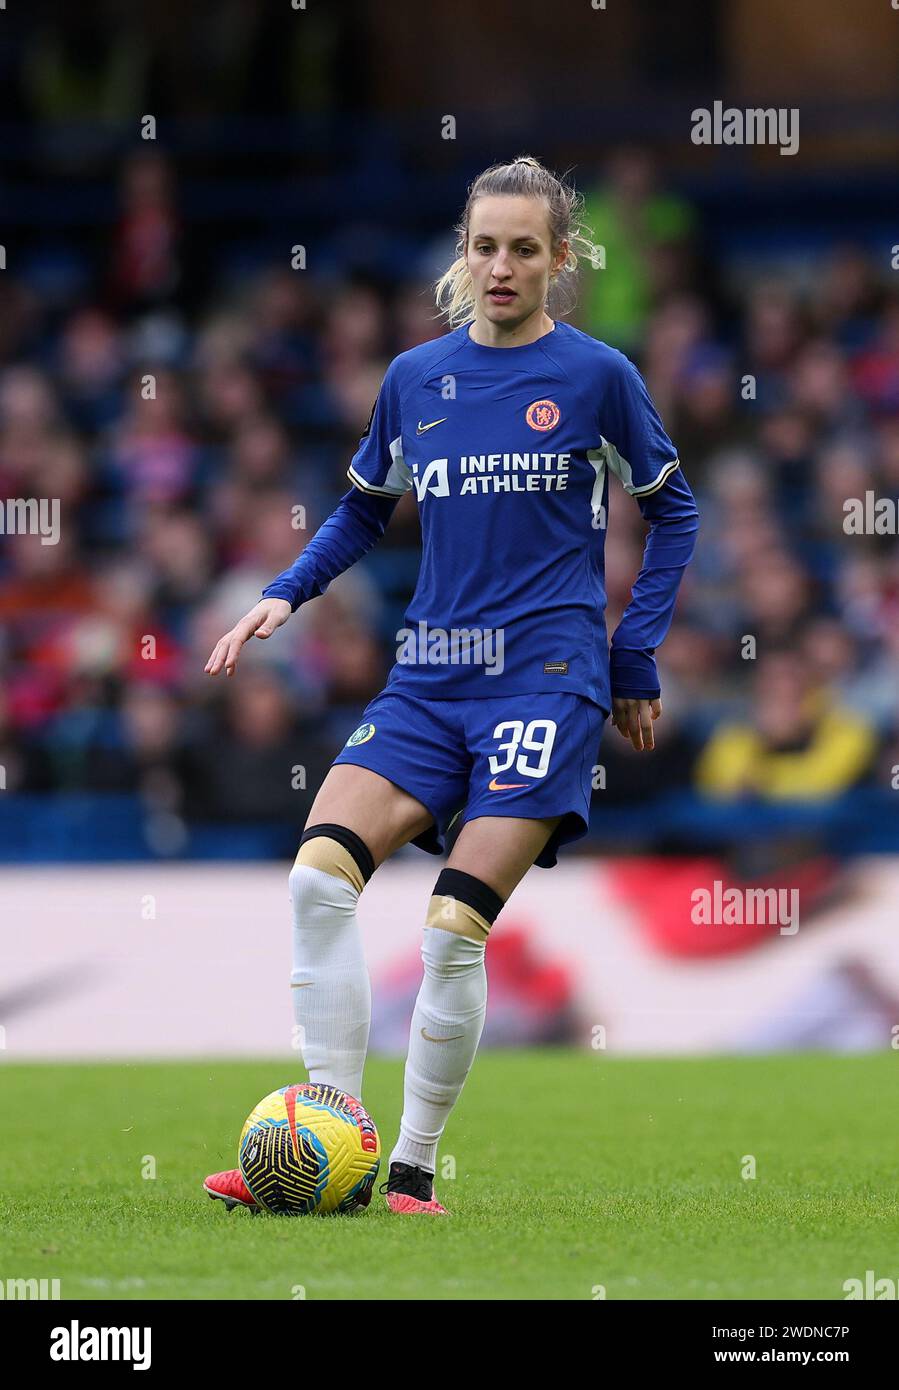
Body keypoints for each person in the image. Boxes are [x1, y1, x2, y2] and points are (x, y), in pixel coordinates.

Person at [201, 156, 700, 1215]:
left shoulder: (596, 375)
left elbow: (675, 511)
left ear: (560, 259)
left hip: (546, 679)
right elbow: (358, 509)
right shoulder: (413, 380)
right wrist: (281, 596)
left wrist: (633, 654)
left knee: (447, 926)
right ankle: (331, 1140)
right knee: (315, 881)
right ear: (462, 256)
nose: (502, 266)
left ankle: (416, 1166)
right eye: (484, 246)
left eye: (524, 248)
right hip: (429, 675)